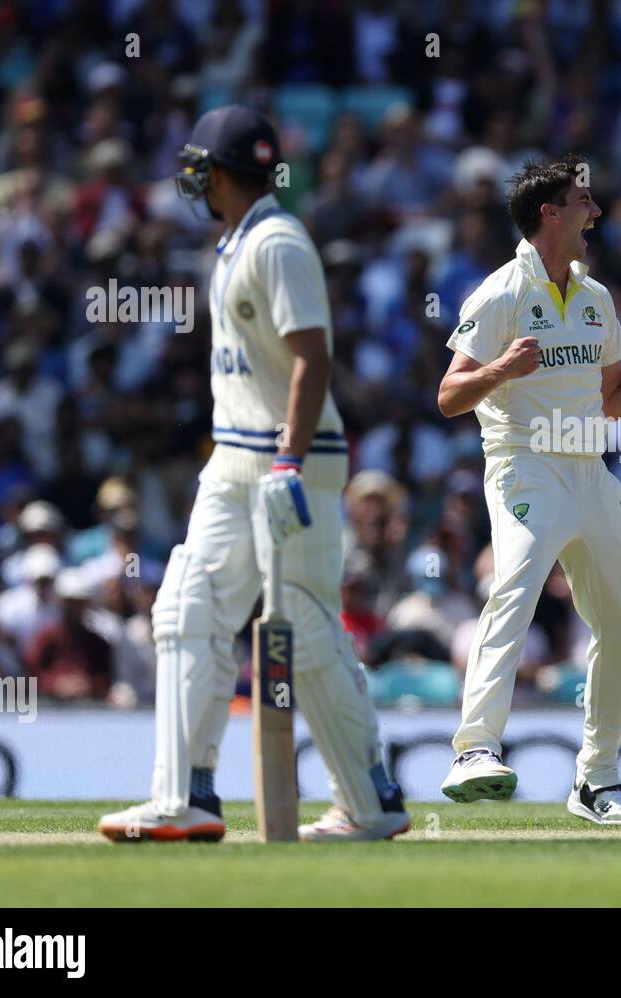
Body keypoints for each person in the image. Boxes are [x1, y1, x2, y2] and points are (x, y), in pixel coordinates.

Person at [98, 106, 408, 843]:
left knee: (299, 622)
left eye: (201, 165)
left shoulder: (278, 241)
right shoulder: (235, 242)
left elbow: (313, 356)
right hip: (232, 456)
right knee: (186, 608)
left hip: (288, 460)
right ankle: (187, 798)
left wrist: (290, 459)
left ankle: (369, 801)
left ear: (223, 172)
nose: (192, 179)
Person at [436, 154, 621, 824]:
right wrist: (498, 368)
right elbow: (447, 396)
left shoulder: (594, 297)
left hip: (590, 471)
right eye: (584, 201)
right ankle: (474, 748)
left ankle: (597, 781)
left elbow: (613, 400)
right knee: (517, 582)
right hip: (528, 465)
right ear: (549, 213)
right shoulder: (499, 293)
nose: (597, 212)